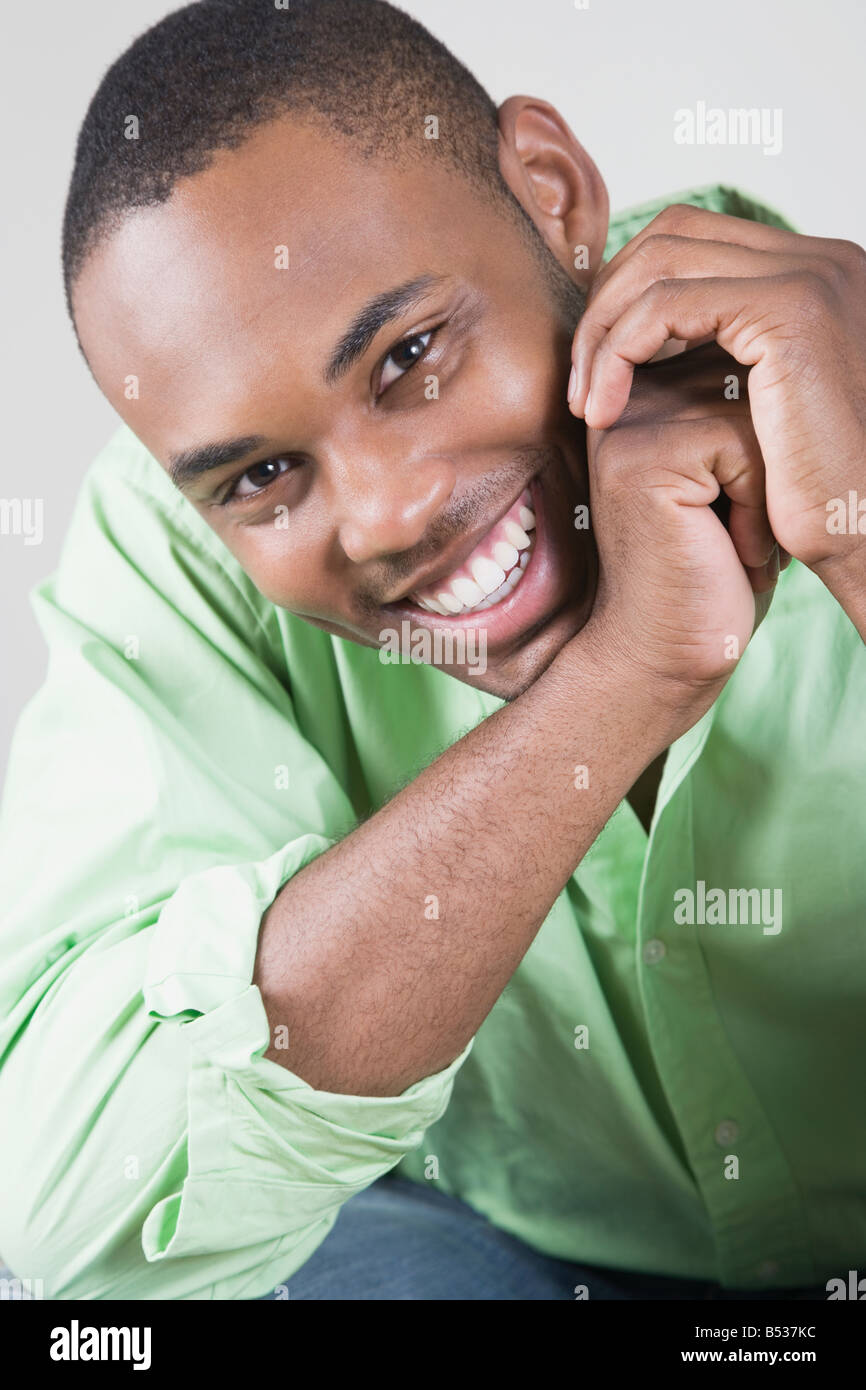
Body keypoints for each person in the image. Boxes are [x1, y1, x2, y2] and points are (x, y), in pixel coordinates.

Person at [0, 0, 864, 1301]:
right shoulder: (176, 537)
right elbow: (83, 1212)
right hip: (512, 1257)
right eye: (265, 476)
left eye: (410, 355)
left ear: (551, 190)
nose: (389, 510)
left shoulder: (840, 362)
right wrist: (624, 677)